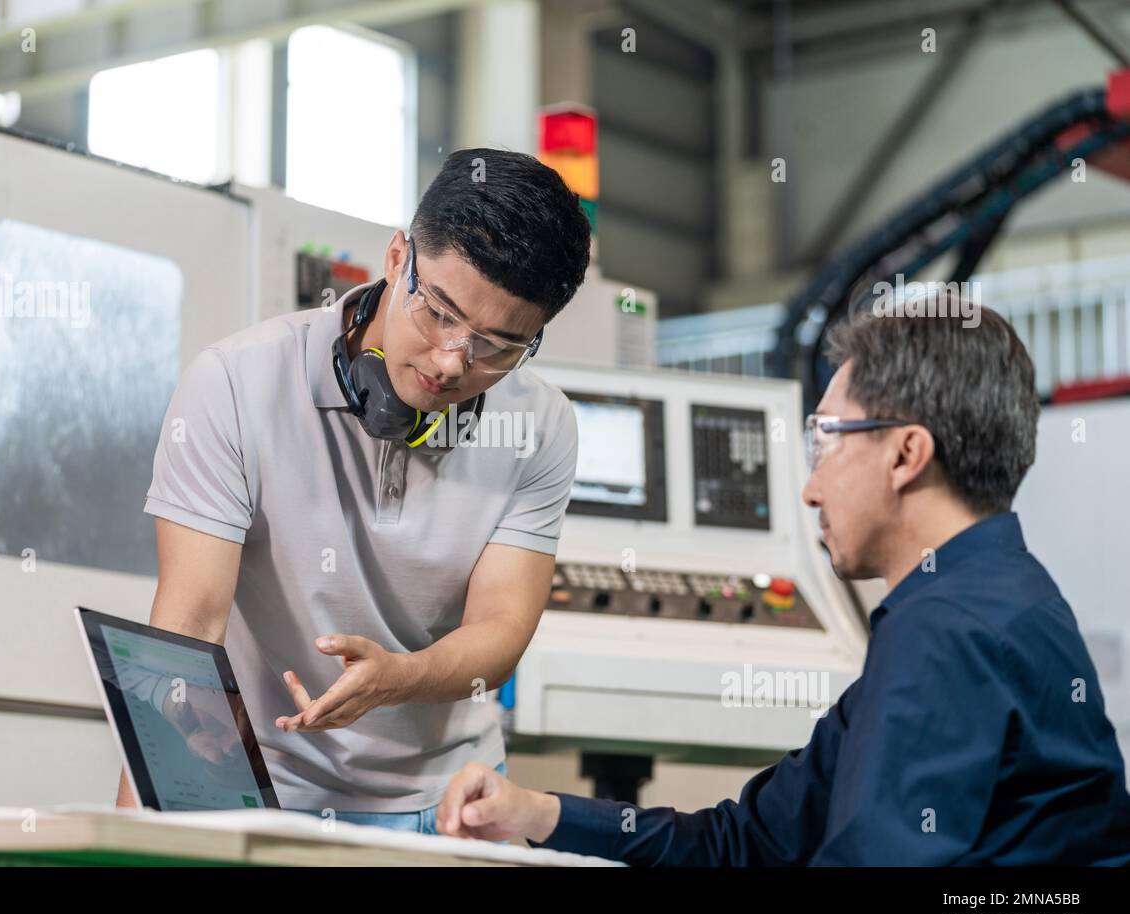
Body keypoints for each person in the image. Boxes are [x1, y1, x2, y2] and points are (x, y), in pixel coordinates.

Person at [437, 297, 1130, 864]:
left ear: (906, 454)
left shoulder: (948, 629)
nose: (808, 487)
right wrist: (539, 813)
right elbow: (749, 841)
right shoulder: (993, 600)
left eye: (826, 438)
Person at [117, 148, 591, 833]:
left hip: (449, 800)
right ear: (398, 257)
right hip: (266, 789)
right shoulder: (237, 384)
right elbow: (187, 627)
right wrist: (138, 839)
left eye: (497, 346)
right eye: (439, 312)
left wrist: (397, 677)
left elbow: (501, 628)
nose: (452, 361)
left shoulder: (541, 425)